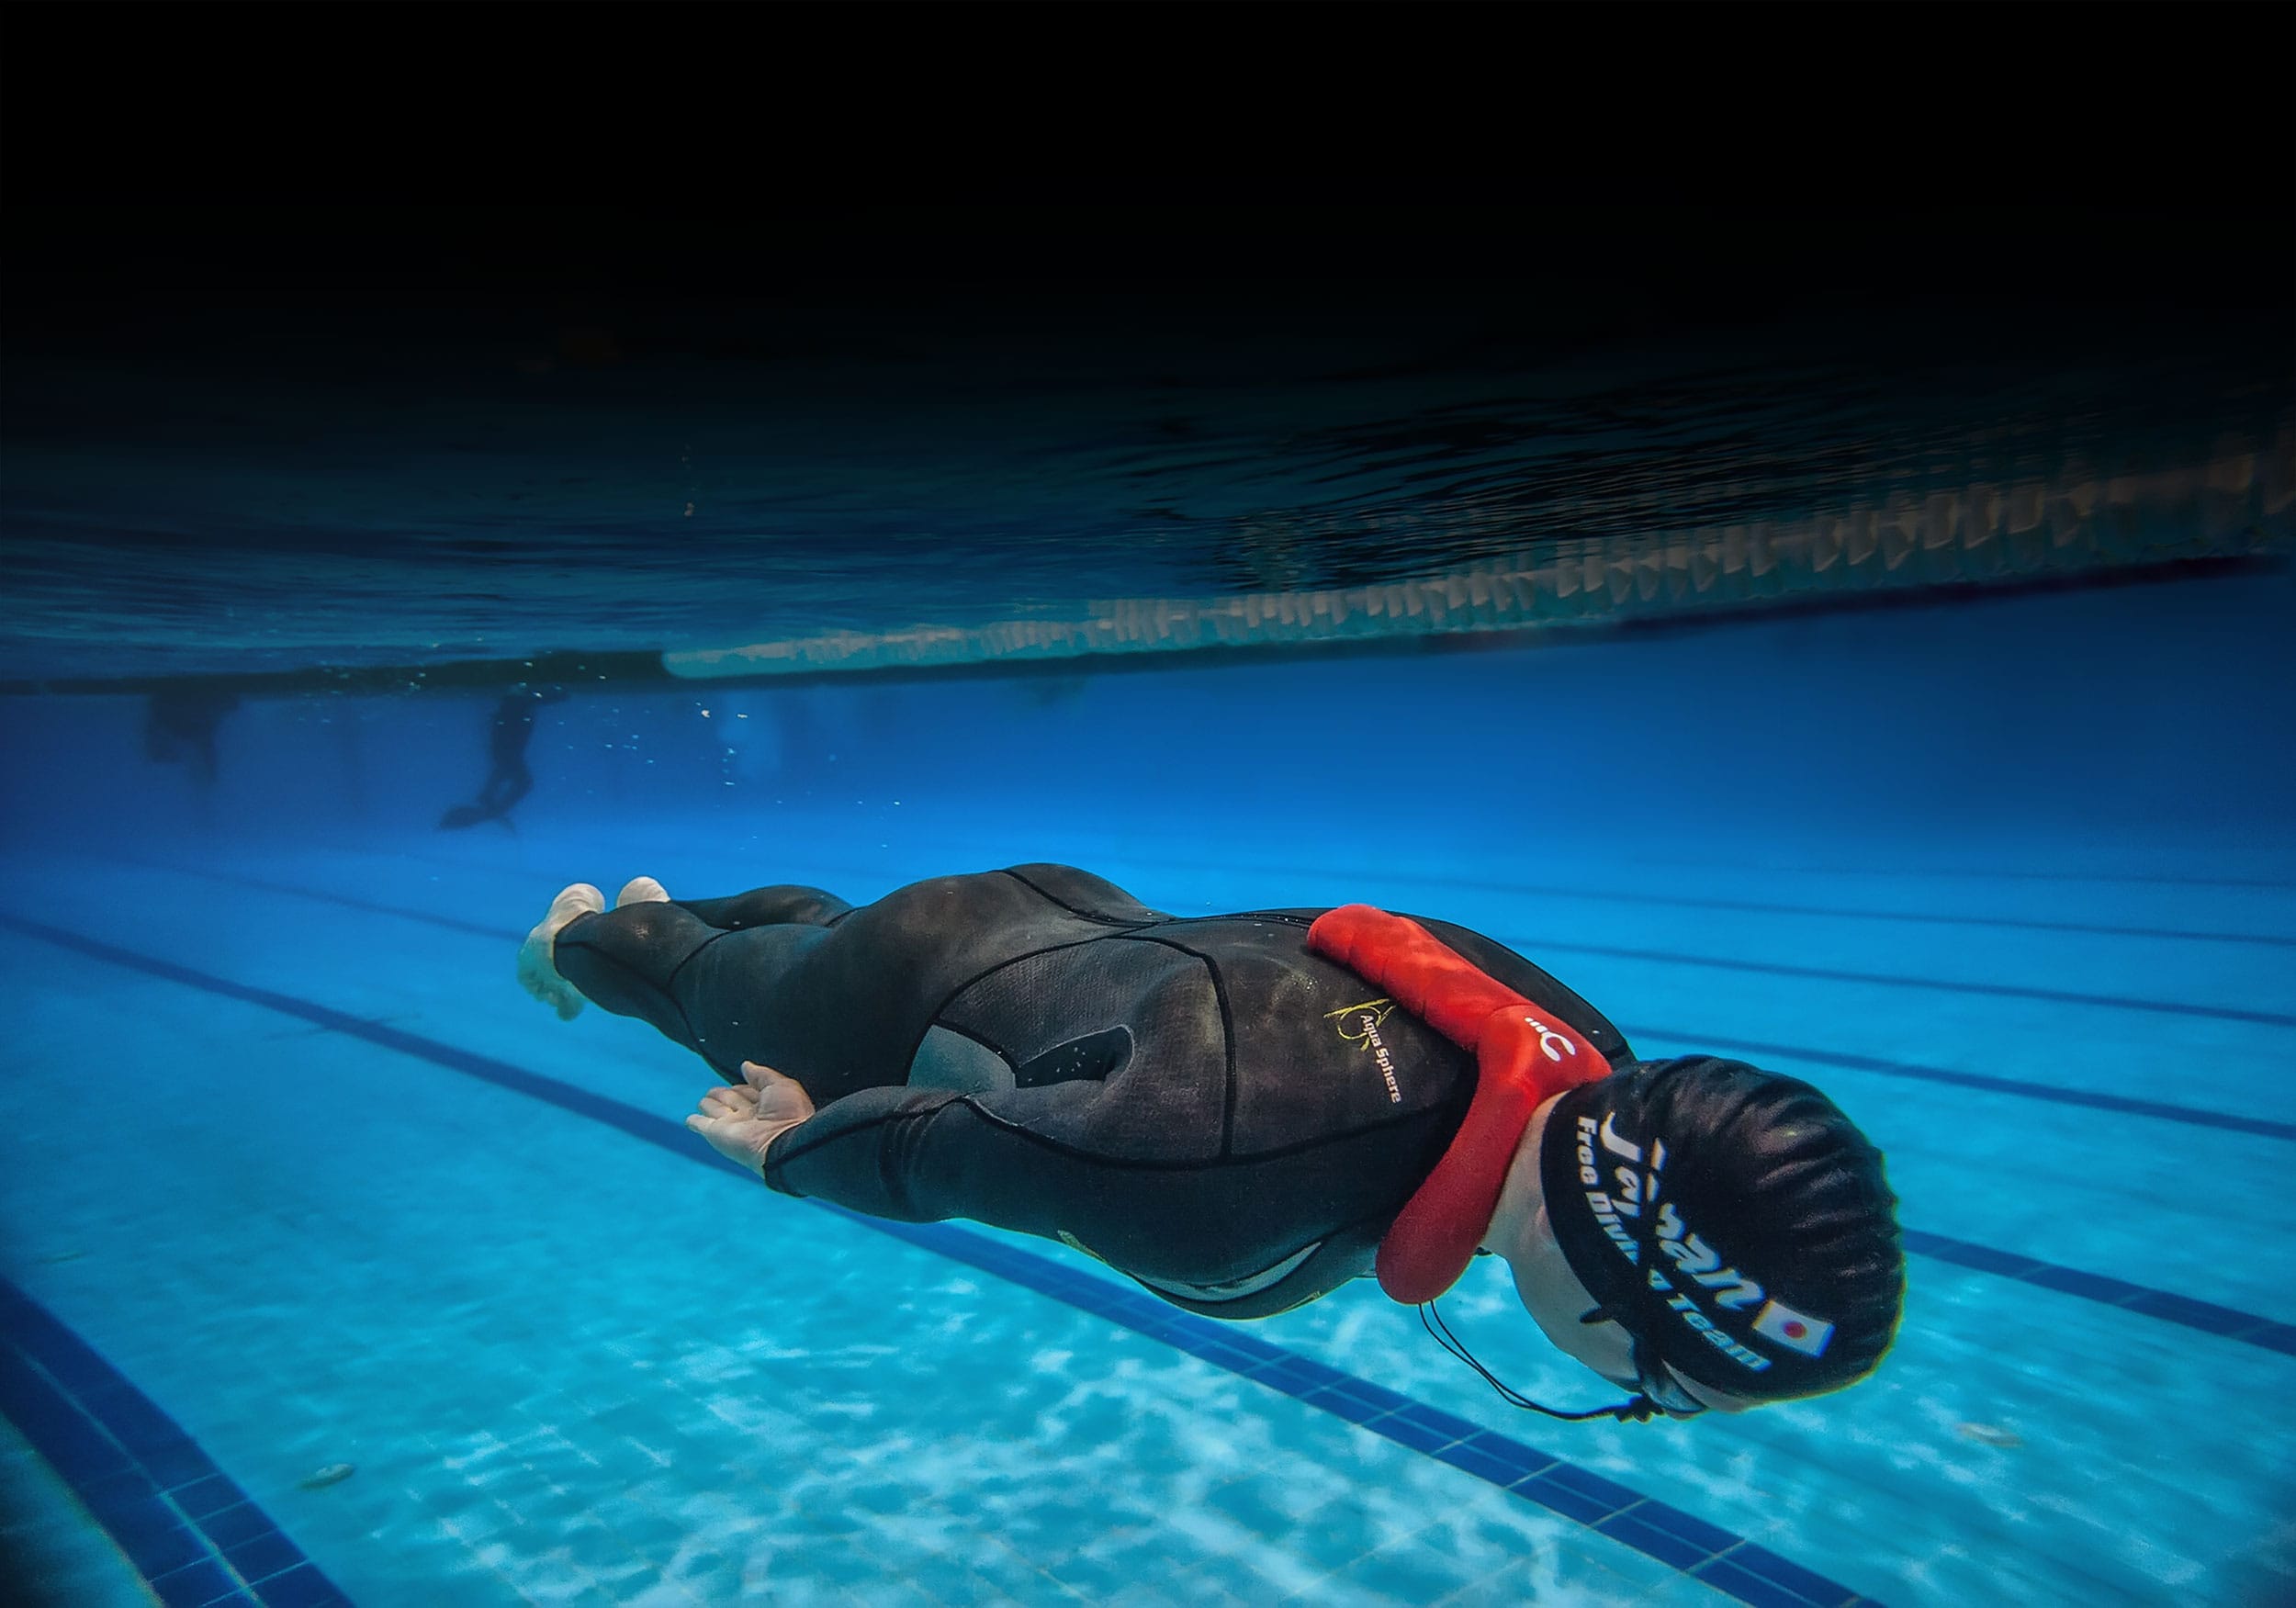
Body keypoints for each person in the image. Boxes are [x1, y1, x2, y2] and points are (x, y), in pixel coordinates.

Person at [516, 863, 1905, 1422]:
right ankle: (583, 932)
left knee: (801, 945)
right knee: (704, 990)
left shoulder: (1567, 1031)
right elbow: (950, 1148)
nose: (1655, 1414)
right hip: (923, 990)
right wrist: (793, 1150)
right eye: (1656, 1390)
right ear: (1604, 1307)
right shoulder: (1229, 1183)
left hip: (1055, 912)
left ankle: (700, 914)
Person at [438, 687, 567, 830]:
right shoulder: (519, 703)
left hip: (506, 749)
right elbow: (555, 697)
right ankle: (489, 806)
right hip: (508, 749)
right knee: (522, 781)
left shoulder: (516, 704)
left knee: (511, 774)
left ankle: (487, 802)